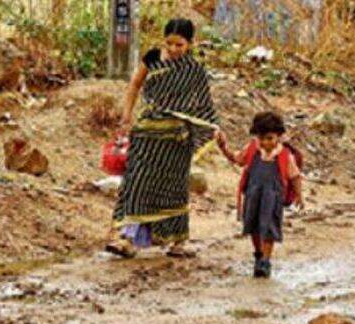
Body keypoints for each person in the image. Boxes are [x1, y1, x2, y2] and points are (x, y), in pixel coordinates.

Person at [105, 18, 220, 259]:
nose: (174, 49)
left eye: (179, 44)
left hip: (177, 139)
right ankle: (128, 240)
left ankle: (176, 242)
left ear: (190, 43)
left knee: (173, 189)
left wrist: (211, 128)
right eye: (169, 44)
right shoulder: (153, 58)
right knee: (137, 184)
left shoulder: (194, 70)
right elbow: (135, 84)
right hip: (147, 133)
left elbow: (203, 107)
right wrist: (127, 116)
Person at [215, 111, 302, 278]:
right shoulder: (252, 149)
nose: (265, 143)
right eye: (261, 139)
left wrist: (299, 196)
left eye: (269, 138)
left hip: (273, 199)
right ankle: (258, 255)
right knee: (253, 226)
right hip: (253, 196)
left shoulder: (285, 156)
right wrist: (223, 148)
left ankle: (266, 261)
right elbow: (237, 159)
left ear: (278, 136)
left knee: (269, 228)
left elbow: (295, 176)